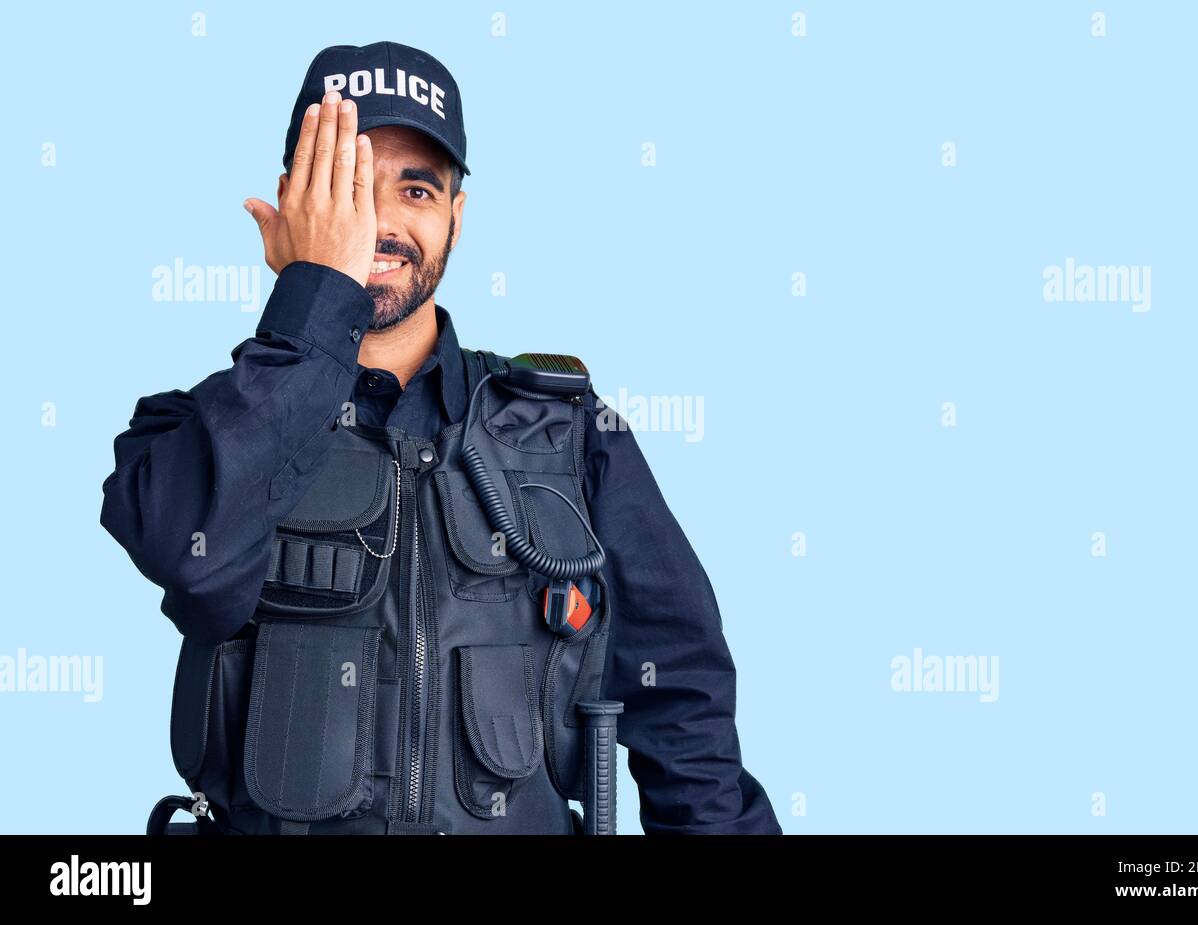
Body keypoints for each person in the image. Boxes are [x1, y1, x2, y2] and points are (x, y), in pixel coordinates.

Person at [101, 41, 780, 835]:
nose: (382, 223)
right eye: (347, 184)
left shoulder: (571, 434)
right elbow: (193, 553)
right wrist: (315, 297)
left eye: (416, 189)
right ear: (291, 202)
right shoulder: (190, 433)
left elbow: (684, 705)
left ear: (457, 216)